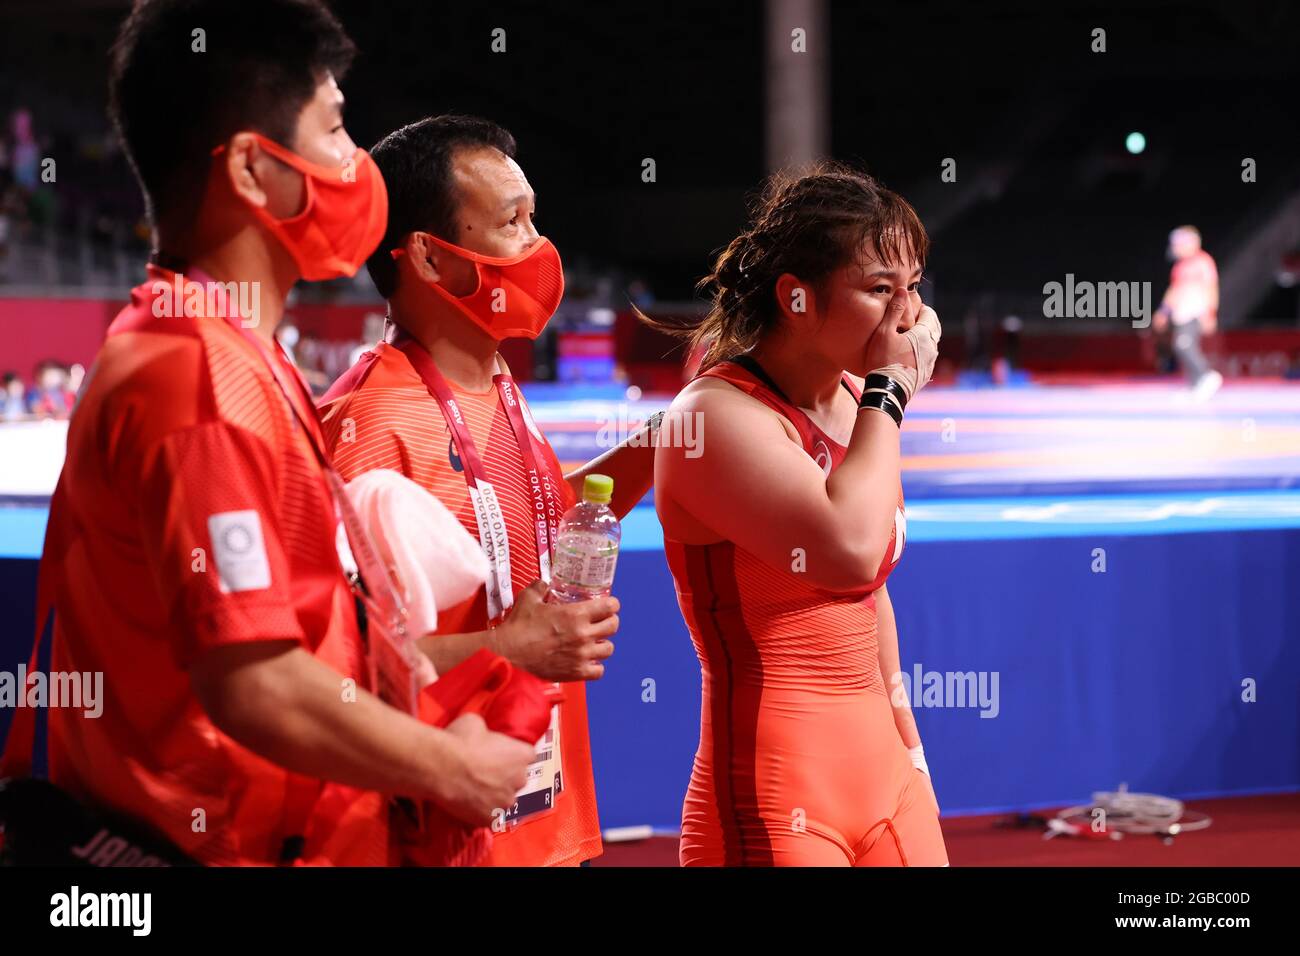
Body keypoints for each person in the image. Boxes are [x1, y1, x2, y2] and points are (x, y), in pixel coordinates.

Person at [0, 0, 532, 866]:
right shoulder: (197, 376)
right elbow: (253, 681)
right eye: (335, 130)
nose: (359, 165)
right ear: (254, 168)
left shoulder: (229, 348)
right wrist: (451, 766)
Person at [320, 114, 658, 866]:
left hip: (541, 811)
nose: (539, 246)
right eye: (512, 222)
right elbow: (331, 670)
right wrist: (504, 648)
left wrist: (669, 443)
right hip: (441, 834)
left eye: (534, 216)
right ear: (433, 262)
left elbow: (524, 518)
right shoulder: (370, 421)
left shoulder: (495, 379)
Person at [645, 162, 948, 866]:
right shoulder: (713, 416)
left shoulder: (853, 399)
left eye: (913, 288)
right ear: (798, 298)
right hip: (776, 796)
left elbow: (872, 595)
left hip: (888, 780)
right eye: (880, 290)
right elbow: (846, 551)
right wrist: (892, 390)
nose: (908, 317)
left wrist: (912, 748)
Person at [1153, 225, 1222, 401]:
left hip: (1195, 312)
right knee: (1180, 345)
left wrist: (1211, 313)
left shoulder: (1203, 262)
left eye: (1178, 244)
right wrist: (1163, 311)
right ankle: (1194, 385)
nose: (1175, 248)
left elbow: (1211, 287)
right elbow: (1174, 290)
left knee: (1183, 345)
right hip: (1181, 313)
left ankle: (1207, 376)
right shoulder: (1179, 266)